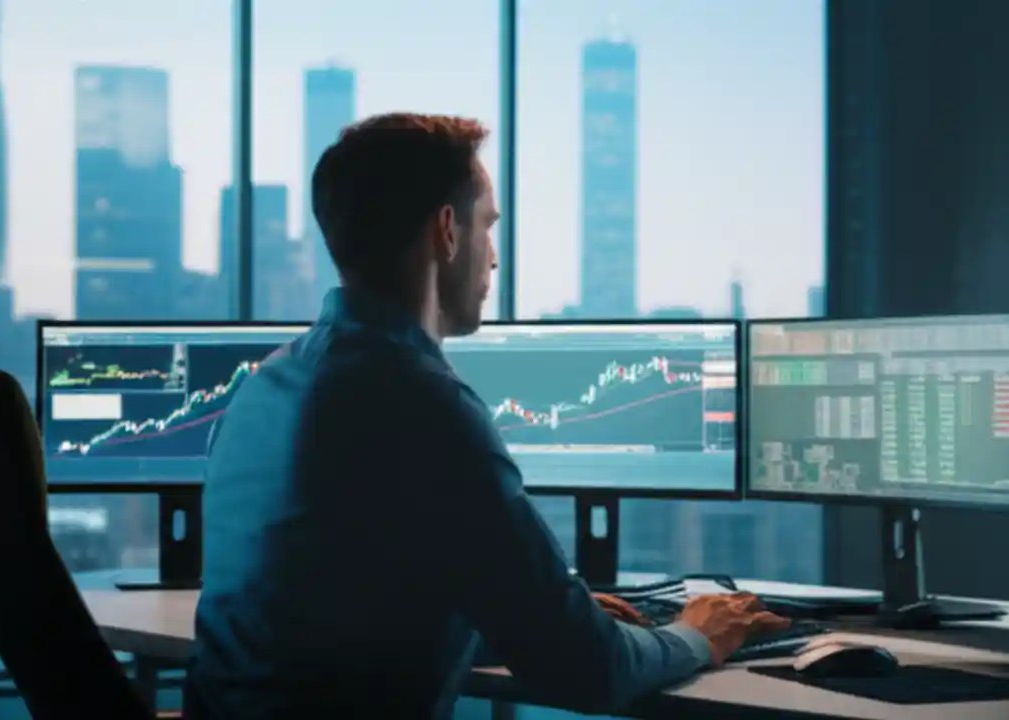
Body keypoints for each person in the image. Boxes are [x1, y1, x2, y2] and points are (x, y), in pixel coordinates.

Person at [186, 112, 787, 719]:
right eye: (488, 226)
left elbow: (336, 617)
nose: (493, 258)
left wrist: (516, 619)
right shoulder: (422, 404)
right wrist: (695, 635)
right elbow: (589, 672)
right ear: (448, 231)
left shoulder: (264, 389)